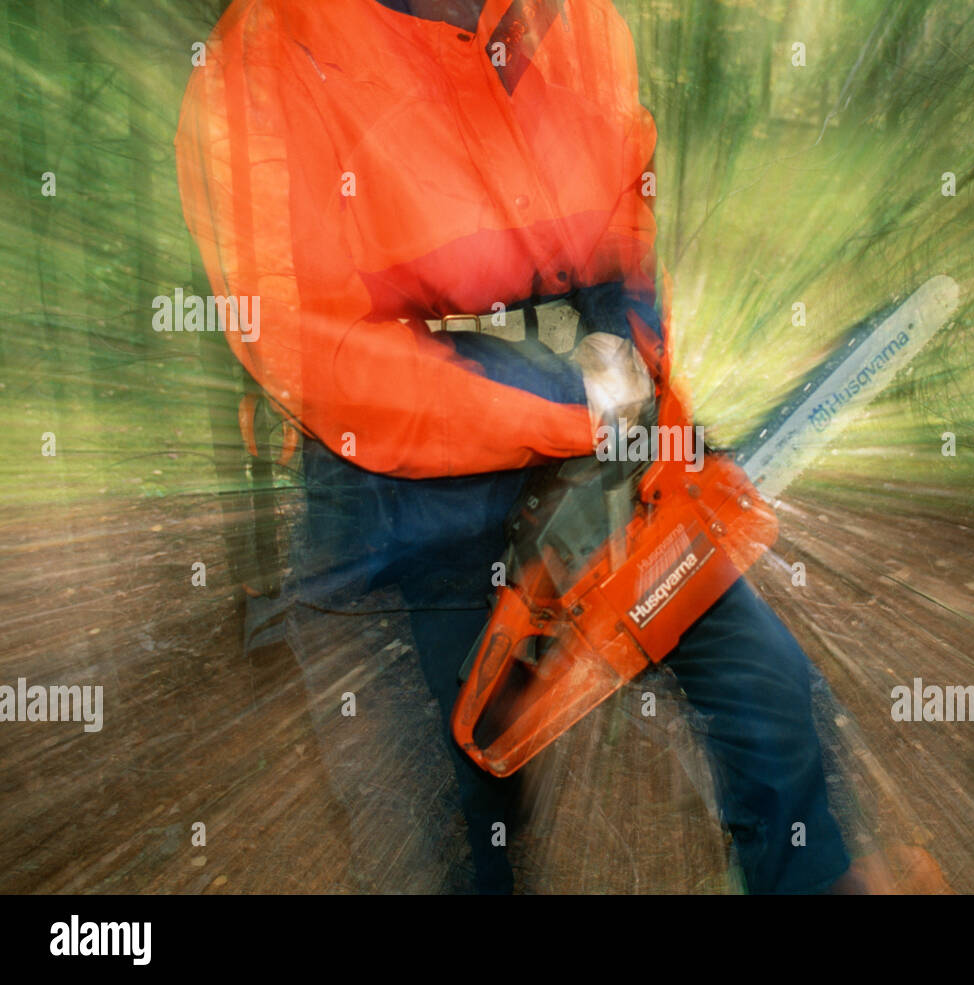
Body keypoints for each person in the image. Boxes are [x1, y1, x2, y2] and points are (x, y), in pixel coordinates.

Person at [176, 0, 876, 893]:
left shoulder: (576, 22)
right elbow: (313, 344)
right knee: (461, 806)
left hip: (589, 434)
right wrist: (564, 404)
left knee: (767, 691)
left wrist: (625, 357)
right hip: (394, 494)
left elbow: (624, 226)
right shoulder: (265, 56)